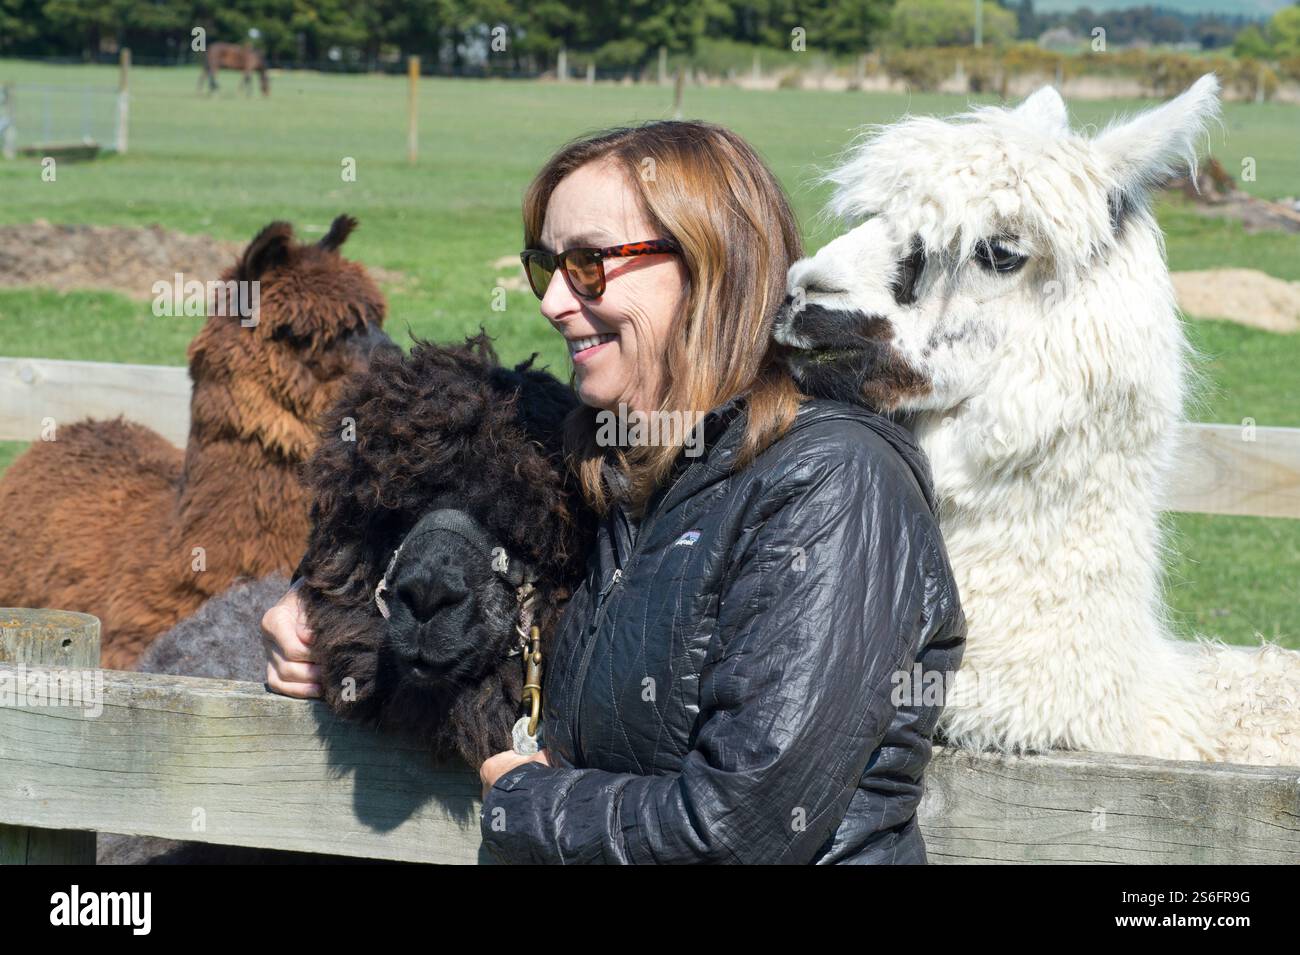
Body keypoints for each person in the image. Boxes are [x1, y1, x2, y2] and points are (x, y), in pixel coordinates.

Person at [262, 120, 965, 864]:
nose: (554, 302)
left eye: (590, 264)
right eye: (547, 267)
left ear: (708, 262)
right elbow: (445, 500)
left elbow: (743, 824)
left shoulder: (832, 483)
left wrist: (526, 805)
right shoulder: (617, 472)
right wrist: (318, 598)